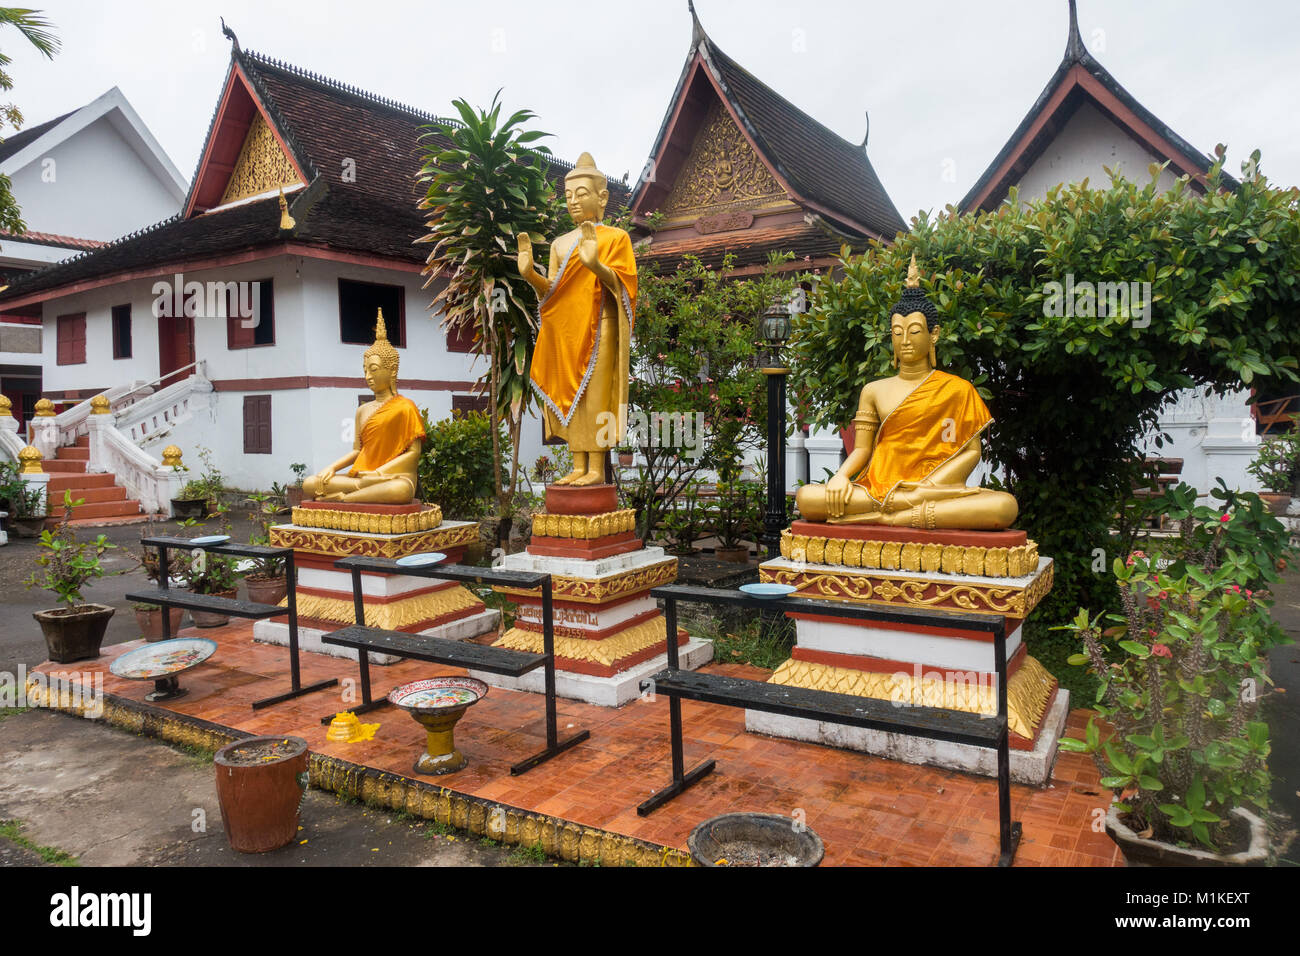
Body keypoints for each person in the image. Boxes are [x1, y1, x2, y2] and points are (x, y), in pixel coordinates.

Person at [795, 256, 1018, 530]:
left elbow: (971, 452)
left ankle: (895, 517)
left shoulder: (958, 389)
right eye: (897, 333)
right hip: (878, 489)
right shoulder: (874, 390)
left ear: (934, 334)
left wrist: (925, 489)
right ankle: (899, 511)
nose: (905, 341)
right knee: (808, 498)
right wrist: (841, 477)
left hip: (934, 490)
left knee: (1003, 507)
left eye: (914, 331)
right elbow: (863, 449)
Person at [517, 152, 636, 486]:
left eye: (581, 194)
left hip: (602, 325)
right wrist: (529, 275)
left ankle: (596, 467)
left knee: (595, 396)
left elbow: (625, 287)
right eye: (568, 196)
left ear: (602, 197)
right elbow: (552, 295)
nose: (572, 202)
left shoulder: (616, 238)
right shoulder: (559, 244)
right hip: (567, 330)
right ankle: (578, 464)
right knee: (572, 394)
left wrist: (595, 264)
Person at [302, 310, 424, 504]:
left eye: (373, 369)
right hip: (362, 479)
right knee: (310, 483)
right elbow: (358, 451)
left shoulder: (406, 407)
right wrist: (332, 468)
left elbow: (413, 454)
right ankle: (354, 496)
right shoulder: (363, 410)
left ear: (392, 370)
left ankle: (344, 500)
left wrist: (378, 473)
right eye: (365, 370)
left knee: (399, 491)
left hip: (392, 478)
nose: (368, 376)